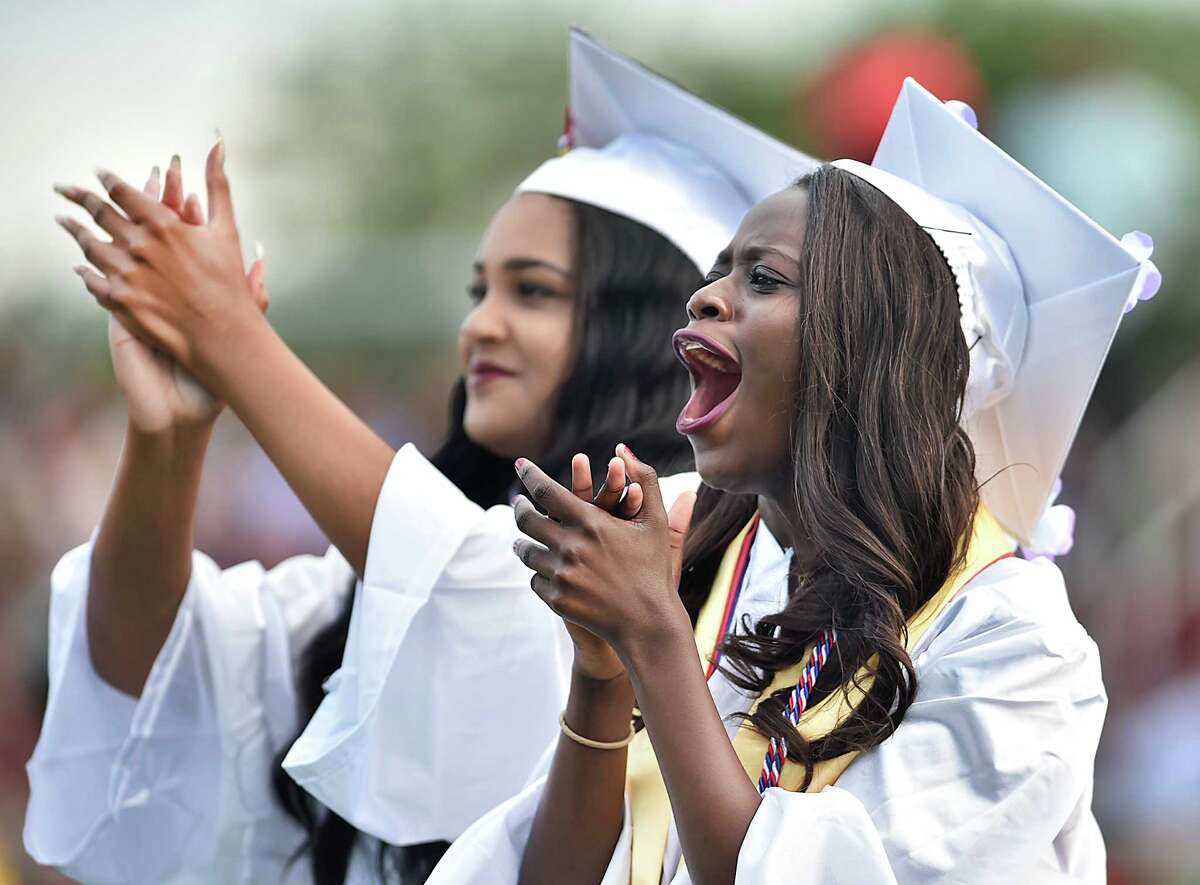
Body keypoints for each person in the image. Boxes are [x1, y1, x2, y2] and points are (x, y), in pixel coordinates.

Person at [27, 31, 817, 885]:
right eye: (480, 290)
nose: (480, 323)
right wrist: (170, 435)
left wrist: (230, 335)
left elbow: (481, 597)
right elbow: (153, 676)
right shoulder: (385, 576)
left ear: (644, 323)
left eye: (534, 291)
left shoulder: (707, 541)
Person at [427, 79, 1162, 883]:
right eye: (717, 273)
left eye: (763, 279)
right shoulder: (711, 567)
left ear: (873, 354)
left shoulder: (1010, 638)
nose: (706, 296)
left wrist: (653, 636)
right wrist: (603, 674)